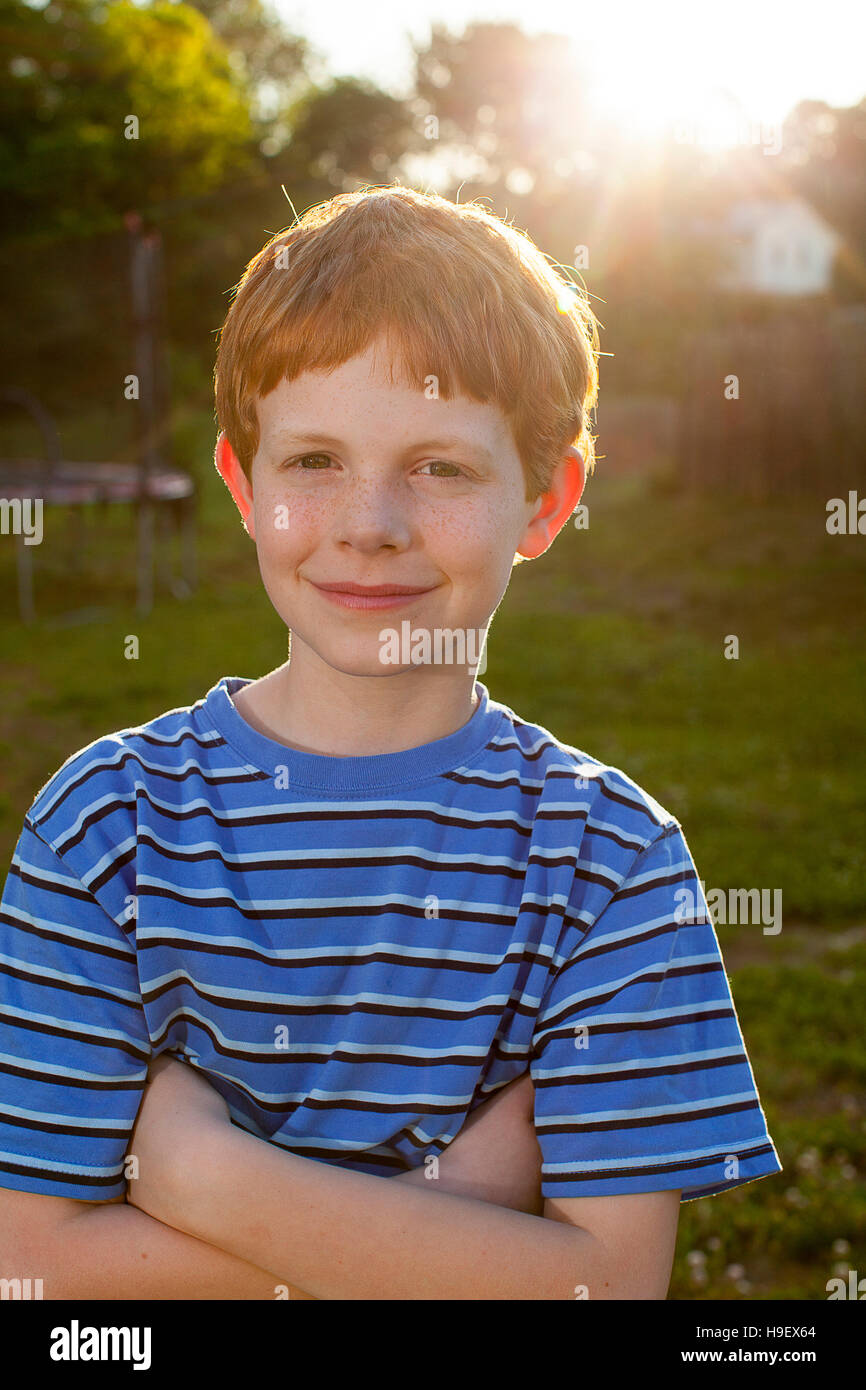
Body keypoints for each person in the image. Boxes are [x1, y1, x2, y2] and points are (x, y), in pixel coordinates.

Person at [0, 185, 781, 1300]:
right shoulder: (105, 826)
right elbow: (29, 1274)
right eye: (312, 461)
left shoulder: (610, 863)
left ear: (545, 502)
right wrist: (457, 1218)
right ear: (242, 485)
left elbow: (606, 1292)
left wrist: (201, 1172)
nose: (369, 521)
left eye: (441, 467)